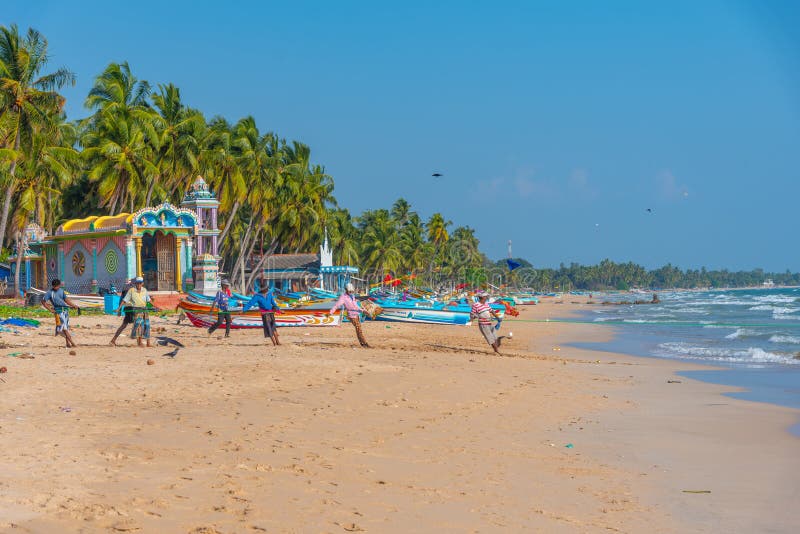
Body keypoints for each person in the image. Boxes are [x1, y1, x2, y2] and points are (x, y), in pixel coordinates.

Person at [41, 279, 80, 348]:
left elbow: (66, 300)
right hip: (58, 312)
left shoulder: (61, 291)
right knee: (64, 328)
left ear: (59, 285)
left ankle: (67, 343)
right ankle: (72, 343)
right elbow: (43, 302)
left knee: (65, 327)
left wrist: (73, 305)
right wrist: (50, 310)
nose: (56, 288)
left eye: (57, 286)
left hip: (65, 311)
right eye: (54, 286)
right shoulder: (49, 293)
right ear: (52, 286)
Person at [122, 276, 160, 347]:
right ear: (135, 283)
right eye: (137, 283)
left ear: (142, 283)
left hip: (144, 310)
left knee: (147, 325)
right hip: (137, 310)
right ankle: (140, 343)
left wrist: (156, 307)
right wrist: (119, 308)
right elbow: (124, 300)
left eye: (140, 283)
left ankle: (148, 343)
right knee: (140, 326)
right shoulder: (131, 291)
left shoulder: (144, 290)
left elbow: (149, 300)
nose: (138, 285)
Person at [329, 283, 370, 348]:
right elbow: (337, 305)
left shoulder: (352, 296)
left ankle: (363, 343)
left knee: (359, 329)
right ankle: (364, 343)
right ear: (346, 290)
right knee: (358, 328)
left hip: (357, 314)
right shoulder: (343, 297)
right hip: (351, 315)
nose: (351, 292)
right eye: (349, 291)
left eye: (352, 291)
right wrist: (331, 312)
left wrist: (362, 310)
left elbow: (355, 306)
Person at [242, 281, 282, 346]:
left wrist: (278, 310)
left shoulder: (269, 294)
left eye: (267, 289)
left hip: (271, 313)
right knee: (269, 328)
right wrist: (244, 310)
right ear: (262, 289)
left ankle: (278, 342)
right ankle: (274, 343)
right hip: (264, 314)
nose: (267, 290)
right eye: (266, 289)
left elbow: (273, 303)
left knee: (273, 327)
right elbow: (250, 303)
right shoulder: (257, 296)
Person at [110, 278, 135, 346]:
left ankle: (113, 340)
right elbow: (123, 299)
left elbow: (122, 298)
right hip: (131, 308)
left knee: (126, 325)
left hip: (131, 308)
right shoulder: (131, 288)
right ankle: (113, 340)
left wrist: (119, 310)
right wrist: (119, 310)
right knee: (135, 324)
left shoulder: (127, 288)